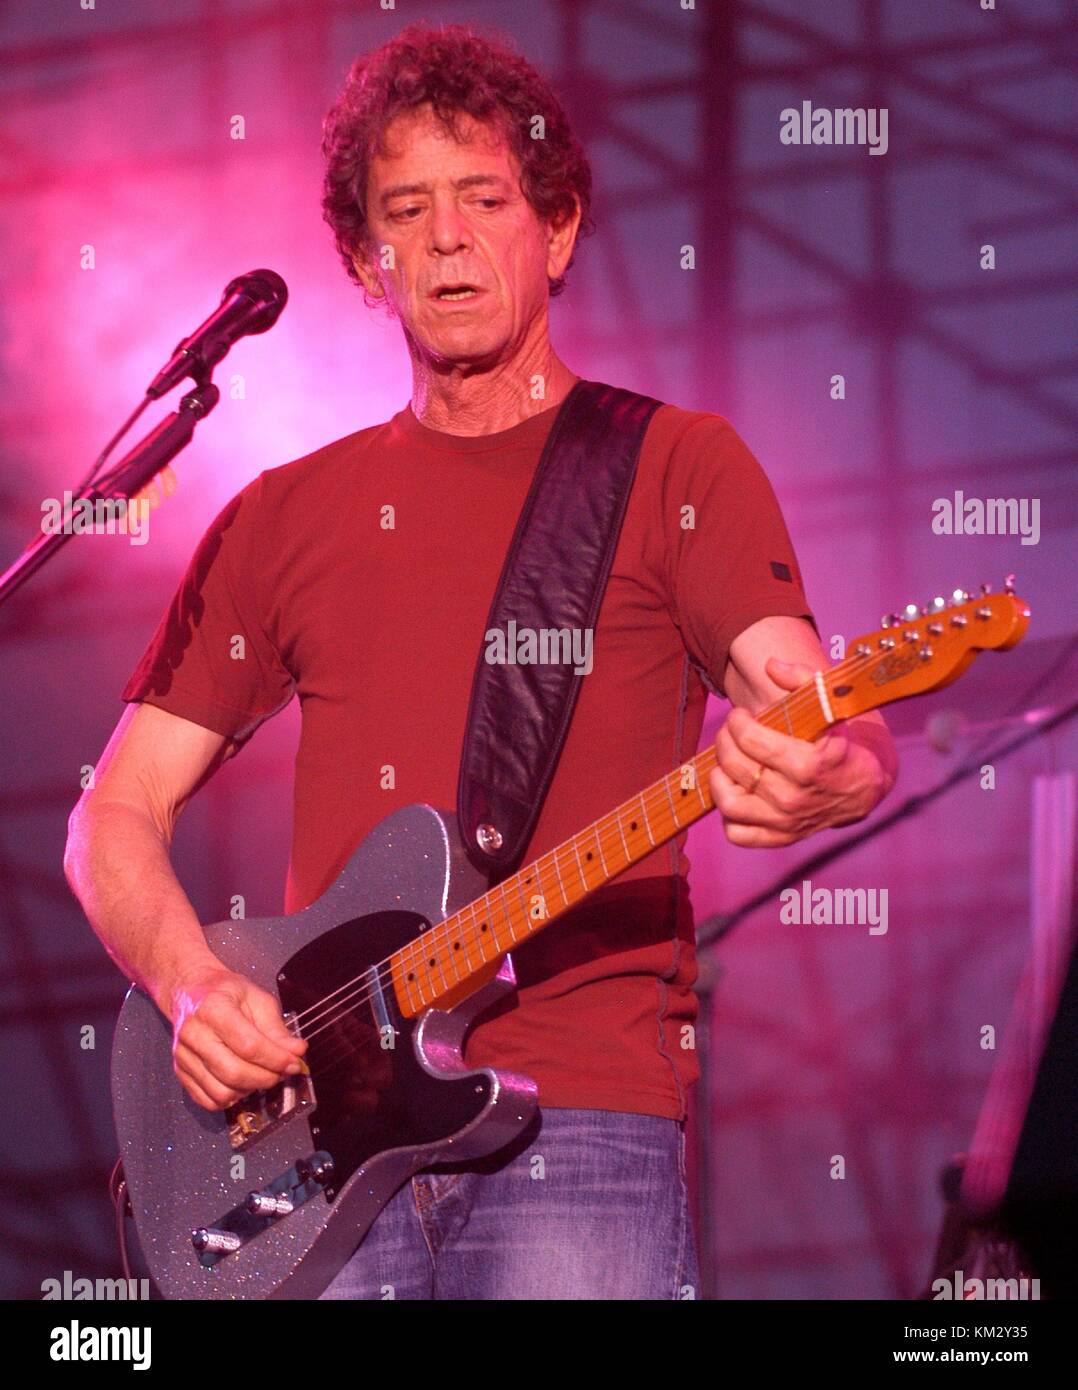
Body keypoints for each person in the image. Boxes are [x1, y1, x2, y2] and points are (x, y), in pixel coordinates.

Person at [64, 23, 897, 1300]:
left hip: (585, 1118)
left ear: (555, 233)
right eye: (407, 209)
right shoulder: (283, 514)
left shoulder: (675, 466)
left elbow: (813, 709)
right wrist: (187, 989)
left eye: (485, 199)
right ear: (365, 259)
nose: (447, 237)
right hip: (314, 1143)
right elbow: (111, 813)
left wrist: (831, 766)